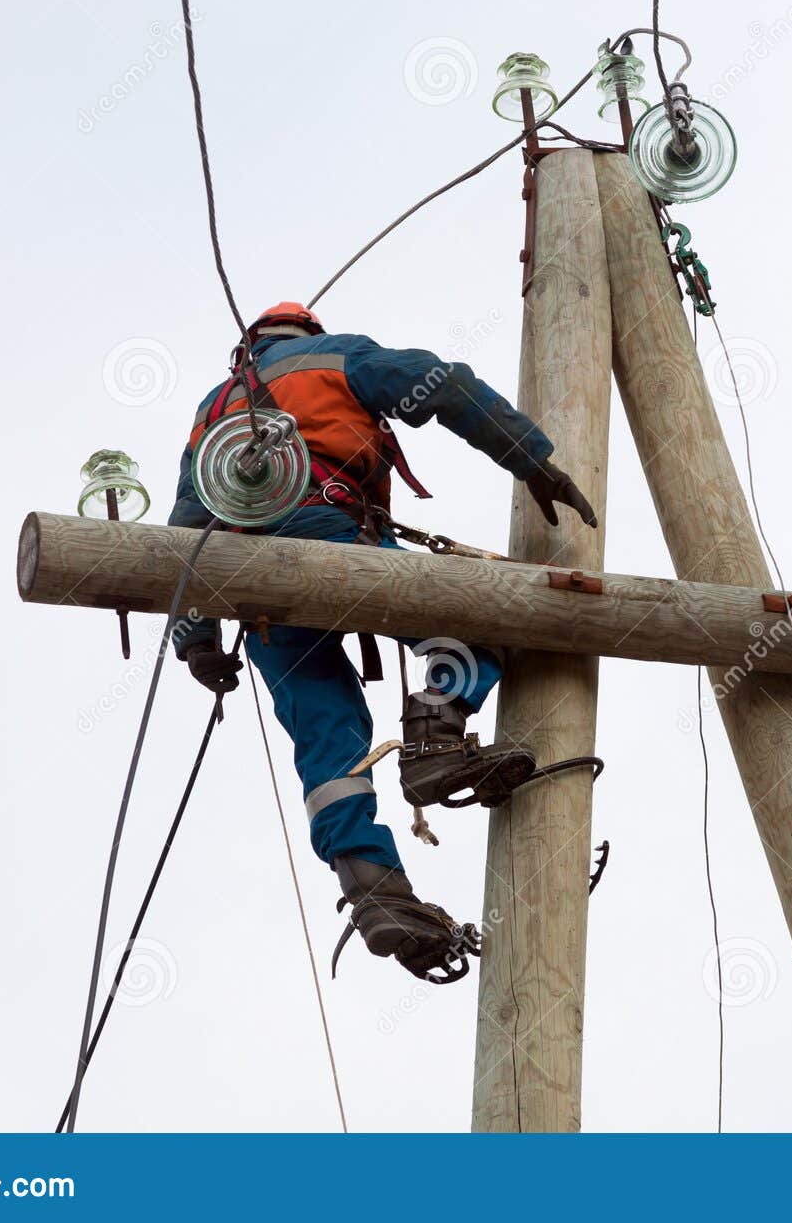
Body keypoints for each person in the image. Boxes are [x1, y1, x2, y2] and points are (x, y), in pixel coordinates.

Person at [168, 302, 595, 982]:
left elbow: (183, 532)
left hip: (251, 591)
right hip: (333, 542)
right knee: (484, 624)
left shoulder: (211, 412)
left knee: (327, 740)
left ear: (245, 350)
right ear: (305, 332)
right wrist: (531, 457)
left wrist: (195, 638)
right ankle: (434, 740)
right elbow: (440, 381)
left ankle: (376, 893)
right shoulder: (337, 356)